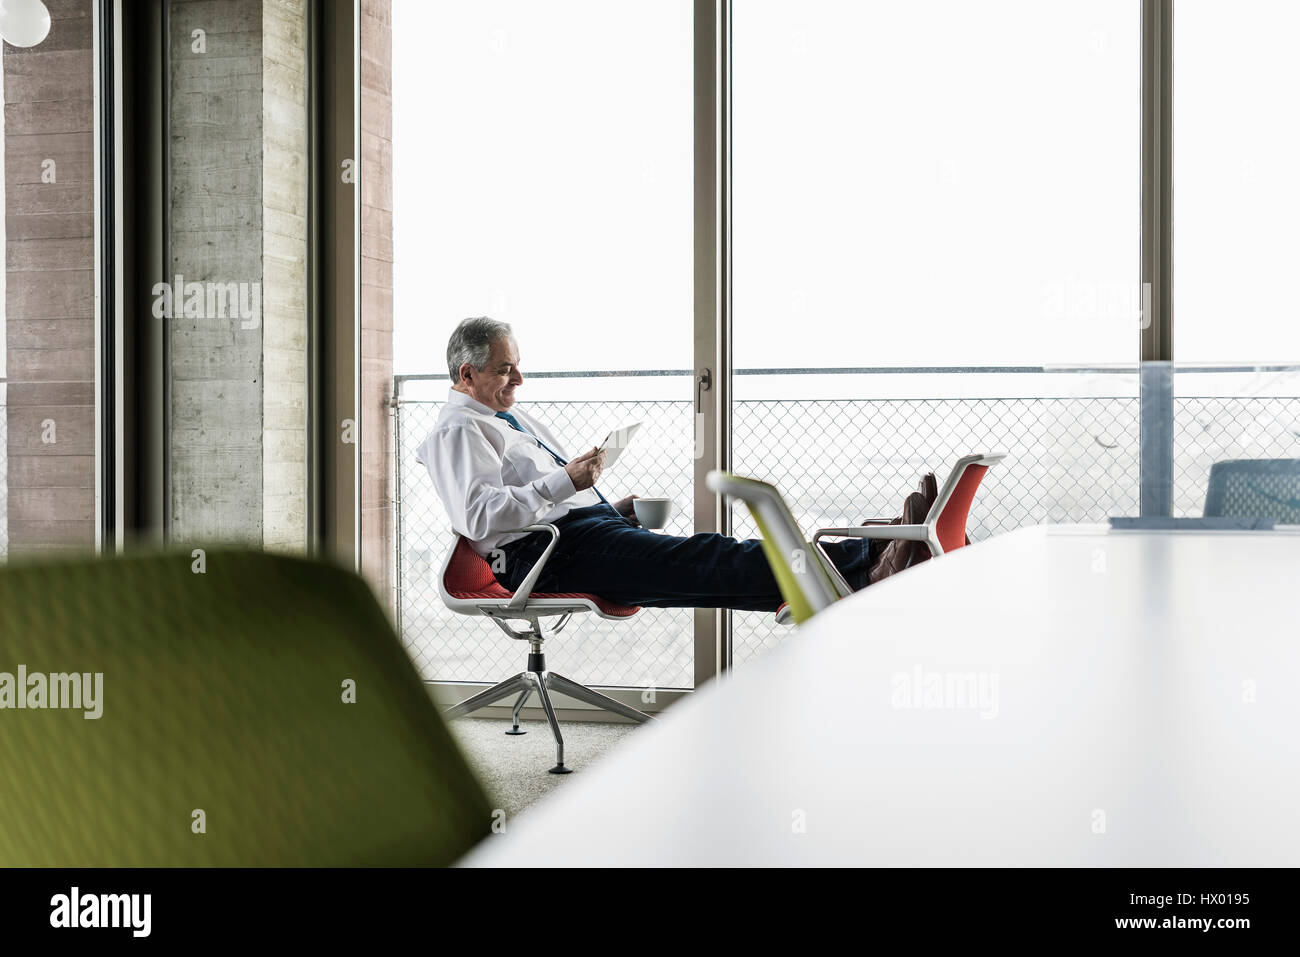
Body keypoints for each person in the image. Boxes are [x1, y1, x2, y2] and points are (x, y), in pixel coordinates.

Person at [417, 317, 930, 613]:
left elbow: (530, 498)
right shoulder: (459, 430)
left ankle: (865, 555)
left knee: (707, 563)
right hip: (547, 557)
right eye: (507, 369)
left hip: (576, 534)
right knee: (706, 559)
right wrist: (565, 481)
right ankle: (862, 567)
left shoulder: (502, 417)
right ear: (467, 373)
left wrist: (605, 506)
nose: (520, 380)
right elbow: (480, 519)